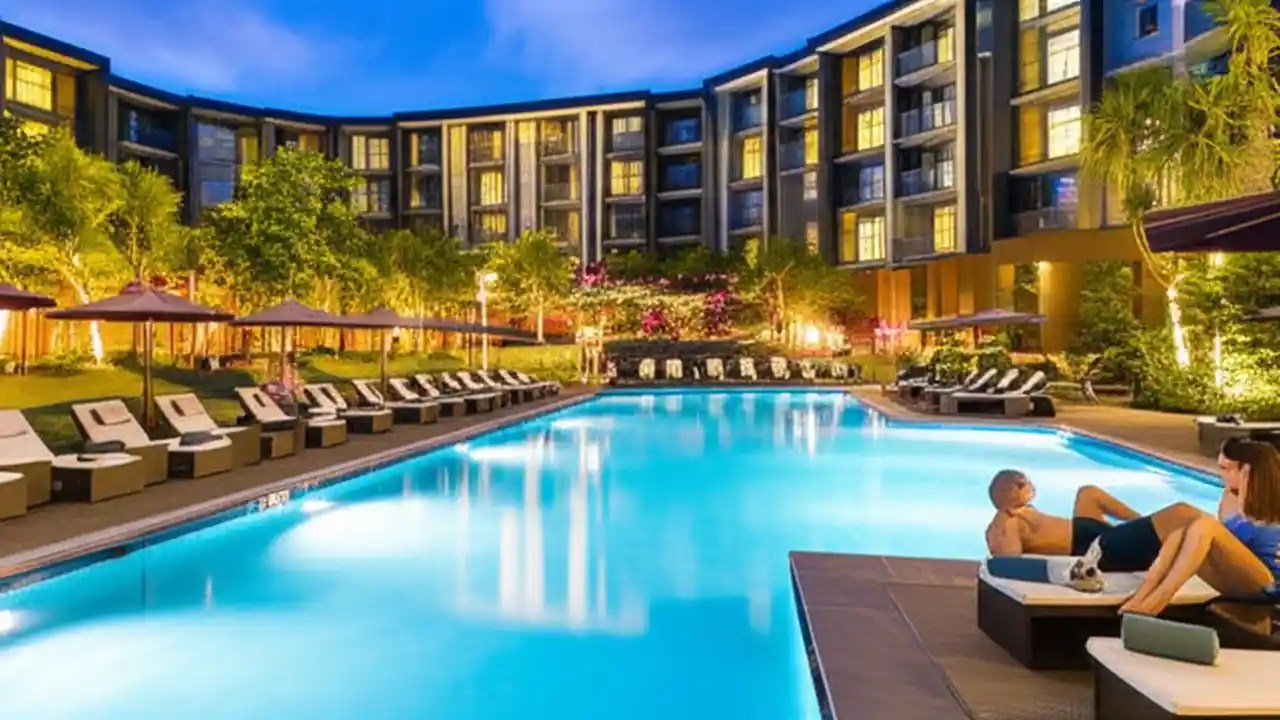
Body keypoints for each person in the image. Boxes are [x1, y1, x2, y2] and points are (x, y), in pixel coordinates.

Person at [1119, 440, 1280, 616]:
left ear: (1247, 470)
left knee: (1205, 523)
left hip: (1269, 584)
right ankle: (1143, 595)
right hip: (1236, 575)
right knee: (1183, 529)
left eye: (1226, 469)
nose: (1221, 475)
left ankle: (1154, 604)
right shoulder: (1229, 498)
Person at [986, 469, 1203, 572]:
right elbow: (1008, 564)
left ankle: (1144, 523)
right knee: (1181, 512)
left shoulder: (1019, 511)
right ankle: (1156, 528)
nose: (1032, 485)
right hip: (1096, 547)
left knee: (1088, 493)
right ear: (1013, 490)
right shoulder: (1008, 522)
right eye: (1026, 483)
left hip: (1087, 531)